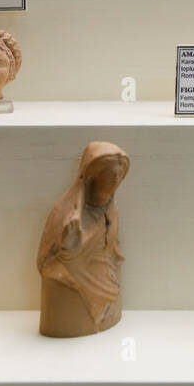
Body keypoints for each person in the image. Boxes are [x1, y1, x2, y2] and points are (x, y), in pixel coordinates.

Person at [37, 142, 131, 337]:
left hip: (105, 280)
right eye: (110, 174)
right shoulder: (66, 215)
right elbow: (46, 266)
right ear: (92, 178)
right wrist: (68, 254)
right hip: (75, 285)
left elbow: (112, 251)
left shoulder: (112, 212)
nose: (115, 179)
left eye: (119, 176)